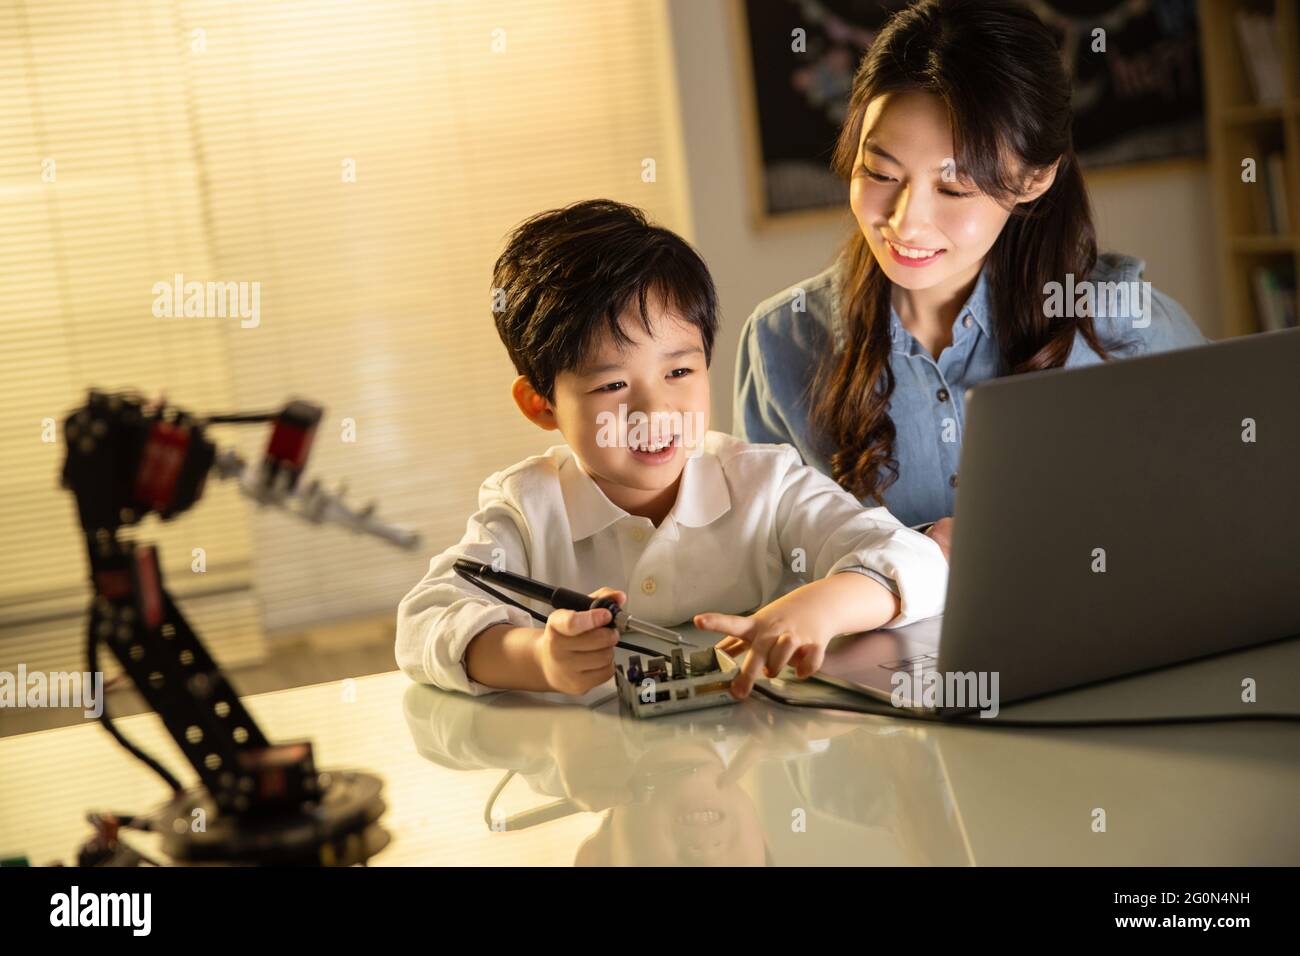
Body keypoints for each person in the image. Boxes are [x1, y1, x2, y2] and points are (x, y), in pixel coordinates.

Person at [396, 199, 949, 700]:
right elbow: (424, 621)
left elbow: (917, 561)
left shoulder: (765, 483)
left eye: (680, 371)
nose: (656, 413)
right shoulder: (528, 507)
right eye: (613, 386)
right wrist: (538, 658)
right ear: (541, 403)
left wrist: (815, 609)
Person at [735, 0, 1206, 536]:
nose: (905, 223)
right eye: (880, 173)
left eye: (953, 188)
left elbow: (1226, 494)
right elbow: (766, 565)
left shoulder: (1120, 322)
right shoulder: (782, 339)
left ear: (1035, 178)